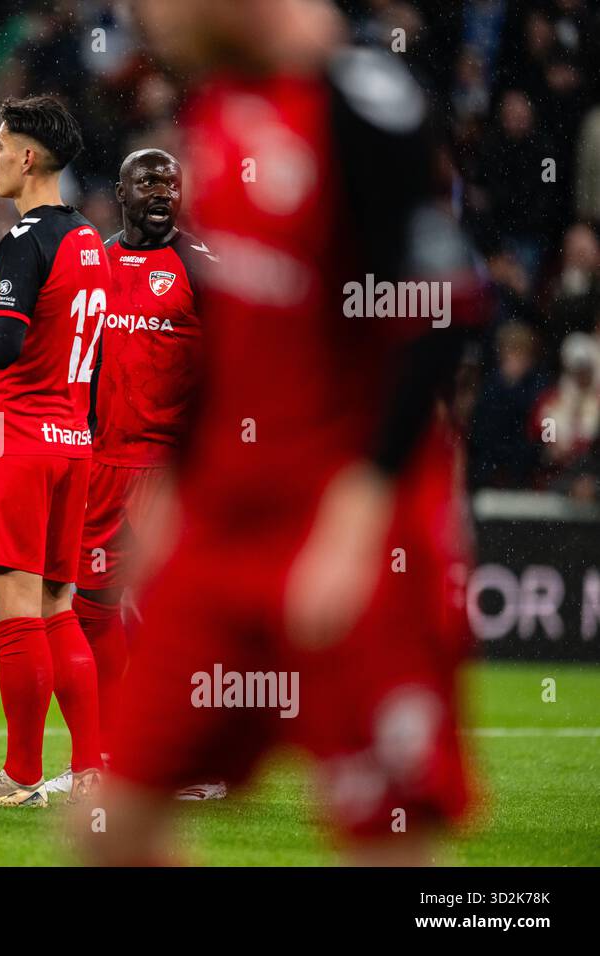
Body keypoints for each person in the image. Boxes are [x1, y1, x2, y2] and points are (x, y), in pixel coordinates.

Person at [83, 0, 482, 864]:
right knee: (109, 824)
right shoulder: (219, 108)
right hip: (226, 520)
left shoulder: (364, 102)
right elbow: (228, 339)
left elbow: (440, 311)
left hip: (347, 515)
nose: (151, 21)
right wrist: (179, 494)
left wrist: (359, 508)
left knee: (387, 840)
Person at [0, 95, 111, 808]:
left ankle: (19, 774)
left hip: (21, 441)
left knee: (14, 609)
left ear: (30, 158)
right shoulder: (90, 241)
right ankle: (95, 765)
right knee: (58, 607)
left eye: (2, 144)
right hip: (74, 441)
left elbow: (7, 343)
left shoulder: (26, 240)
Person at [45, 147, 223, 802]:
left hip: (168, 469)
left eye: (170, 183)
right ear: (118, 192)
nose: (159, 191)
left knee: (169, 616)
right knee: (89, 611)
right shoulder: (94, 260)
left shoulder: (203, 267)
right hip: (98, 463)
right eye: (145, 181)